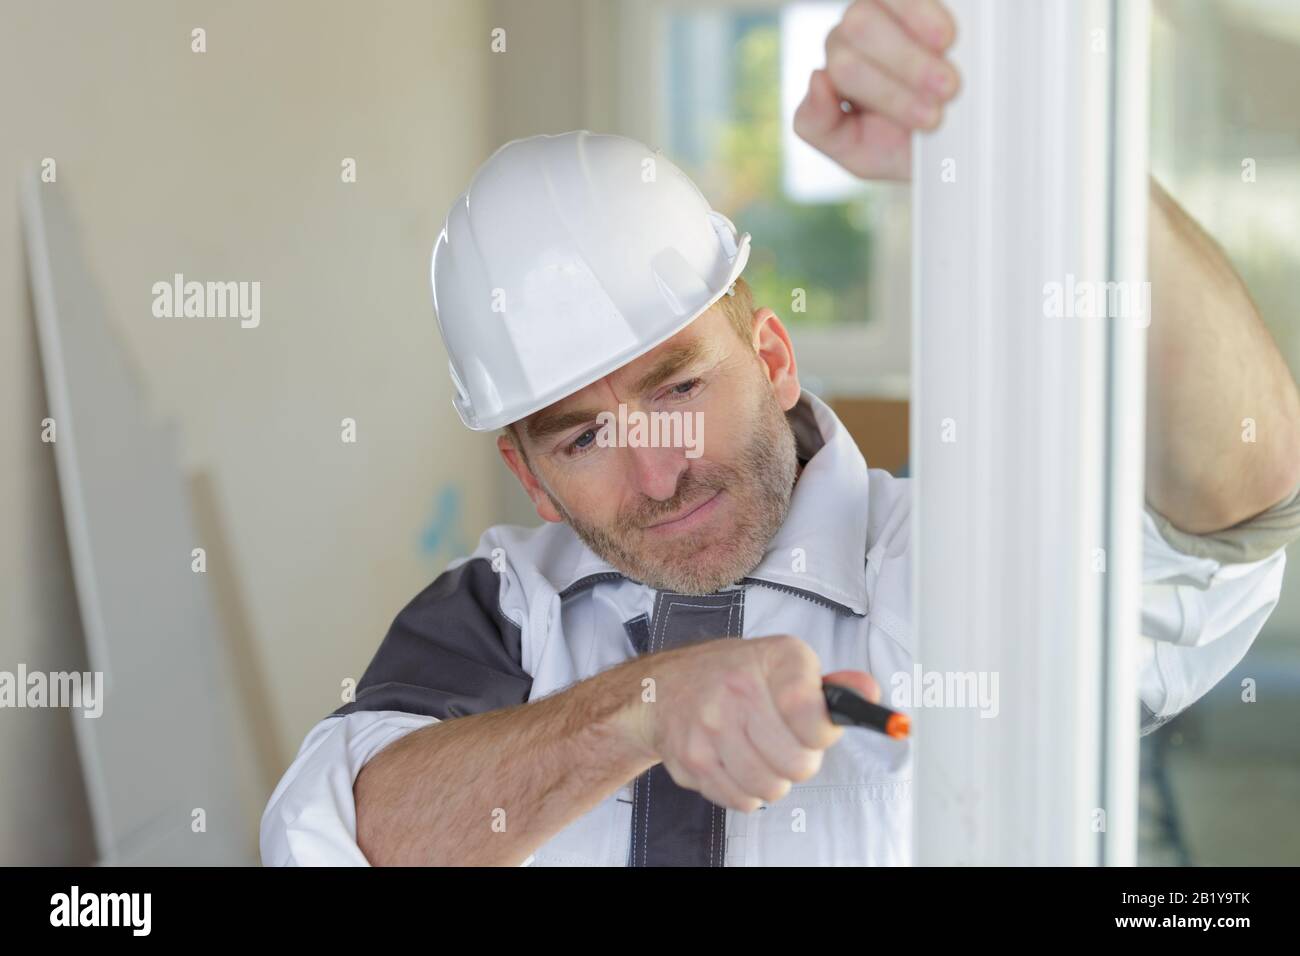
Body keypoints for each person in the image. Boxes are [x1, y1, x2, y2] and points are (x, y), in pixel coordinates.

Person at [261, 0, 1300, 866]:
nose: (658, 471)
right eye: (581, 438)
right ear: (529, 478)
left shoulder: (948, 570)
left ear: (771, 356)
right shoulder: (500, 616)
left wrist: (1053, 154)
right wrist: (639, 708)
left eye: (675, 385)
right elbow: (333, 835)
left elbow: (1236, 496)